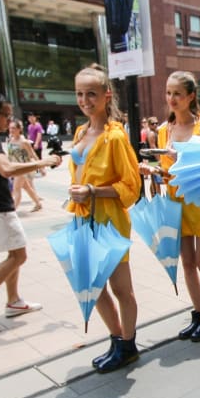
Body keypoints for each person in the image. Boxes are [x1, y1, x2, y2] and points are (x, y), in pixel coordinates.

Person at [0, 93, 61, 331]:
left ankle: (14, 301)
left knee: (14, 253)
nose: (9, 120)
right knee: (18, 256)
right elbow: (6, 169)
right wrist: (42, 163)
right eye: (6, 115)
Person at [67, 64, 142, 373]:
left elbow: (131, 186)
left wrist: (92, 191)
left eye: (91, 94)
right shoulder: (80, 132)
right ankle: (117, 339)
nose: (85, 100)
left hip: (109, 221)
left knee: (121, 289)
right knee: (91, 288)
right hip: (82, 221)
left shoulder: (115, 137)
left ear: (106, 95)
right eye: (80, 94)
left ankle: (128, 344)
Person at [140, 71, 200, 341]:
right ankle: (199, 312)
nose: (172, 99)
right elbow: (165, 169)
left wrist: (182, 156)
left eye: (178, 94)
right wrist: (153, 172)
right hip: (175, 201)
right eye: (168, 93)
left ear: (191, 96)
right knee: (186, 261)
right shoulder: (164, 130)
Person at [7, 118, 43, 212]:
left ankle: (13, 210)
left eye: (14, 128)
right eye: (10, 128)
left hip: (23, 168)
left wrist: (41, 167)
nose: (11, 130)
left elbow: (33, 154)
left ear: (19, 129)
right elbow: (10, 155)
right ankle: (38, 204)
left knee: (16, 188)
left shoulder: (24, 142)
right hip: (15, 168)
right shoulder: (11, 140)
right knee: (27, 187)